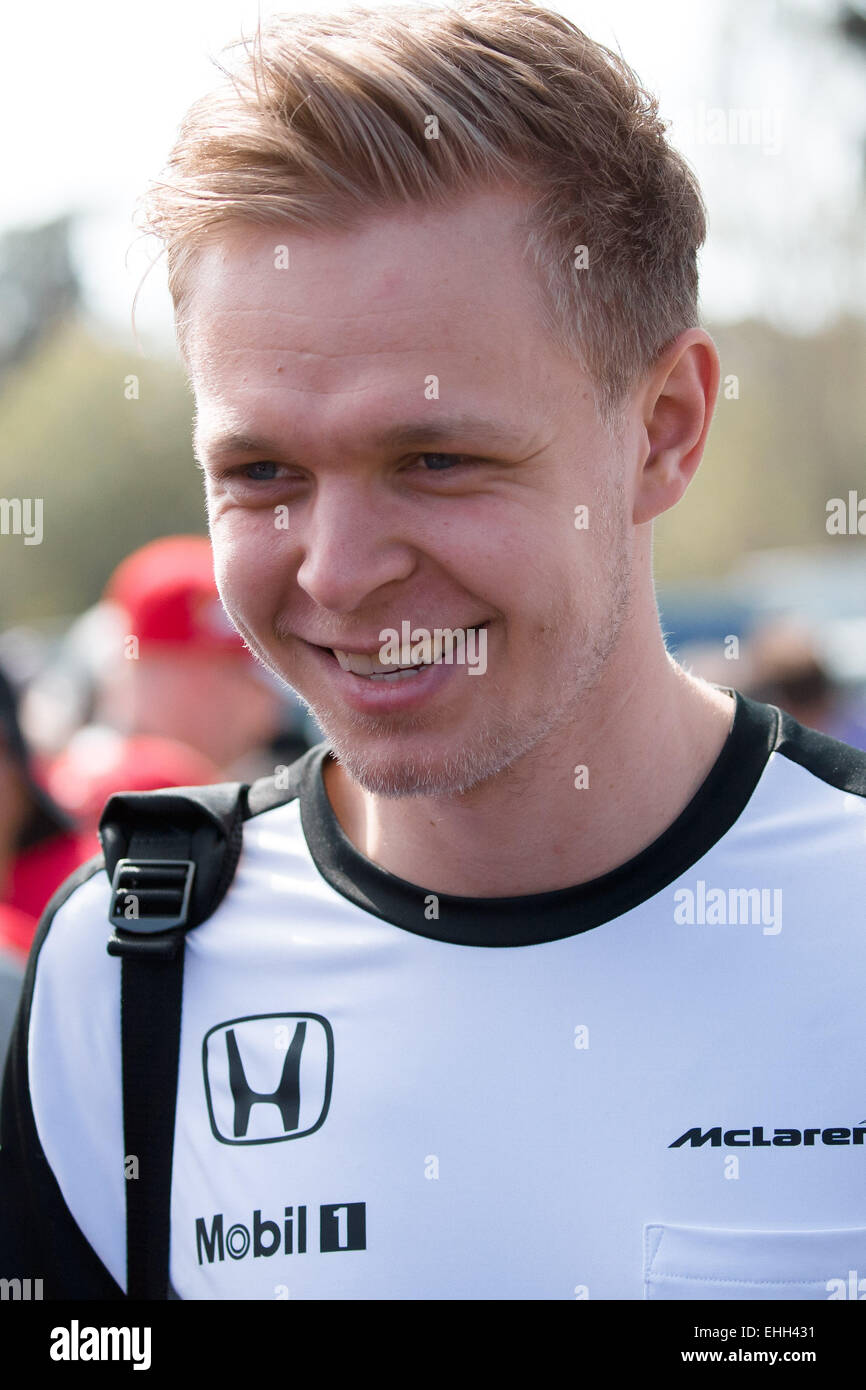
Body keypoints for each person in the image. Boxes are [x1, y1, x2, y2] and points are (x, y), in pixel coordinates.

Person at [2, 0, 866, 1301]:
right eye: (261, 471)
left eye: (437, 458)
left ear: (664, 428)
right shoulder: (121, 976)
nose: (338, 569)